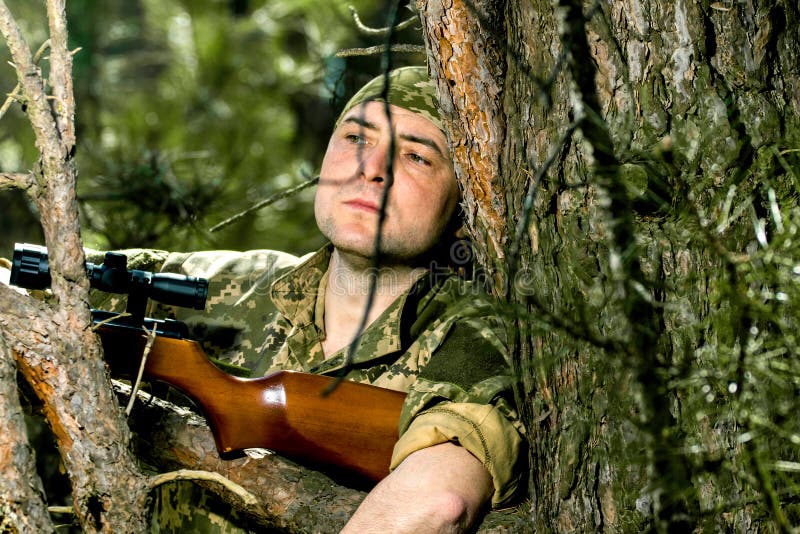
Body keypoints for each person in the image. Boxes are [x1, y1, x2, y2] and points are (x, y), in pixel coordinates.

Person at [45, 66, 526, 531]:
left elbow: (439, 500)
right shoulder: (232, 284)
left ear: (465, 206)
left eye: (417, 157)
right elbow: (42, 287)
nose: (372, 169)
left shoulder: (477, 332)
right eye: (356, 139)